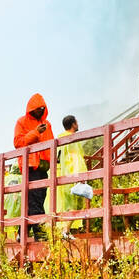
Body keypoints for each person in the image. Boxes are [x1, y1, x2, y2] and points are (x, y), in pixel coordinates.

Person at [13, 93, 54, 240]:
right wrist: (36, 133)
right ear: (31, 109)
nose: (39, 111)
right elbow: (18, 143)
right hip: (30, 166)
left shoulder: (47, 124)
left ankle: (21, 232)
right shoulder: (21, 122)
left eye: (42, 109)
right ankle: (40, 233)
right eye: (37, 109)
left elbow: (51, 142)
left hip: (43, 166)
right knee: (35, 199)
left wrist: (53, 160)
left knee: (38, 199)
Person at [53, 115, 88, 236]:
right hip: (74, 174)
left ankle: (65, 231)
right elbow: (76, 158)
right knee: (77, 204)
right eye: (76, 122)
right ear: (73, 124)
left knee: (68, 204)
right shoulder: (73, 139)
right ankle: (65, 231)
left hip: (63, 174)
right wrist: (82, 176)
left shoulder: (59, 139)